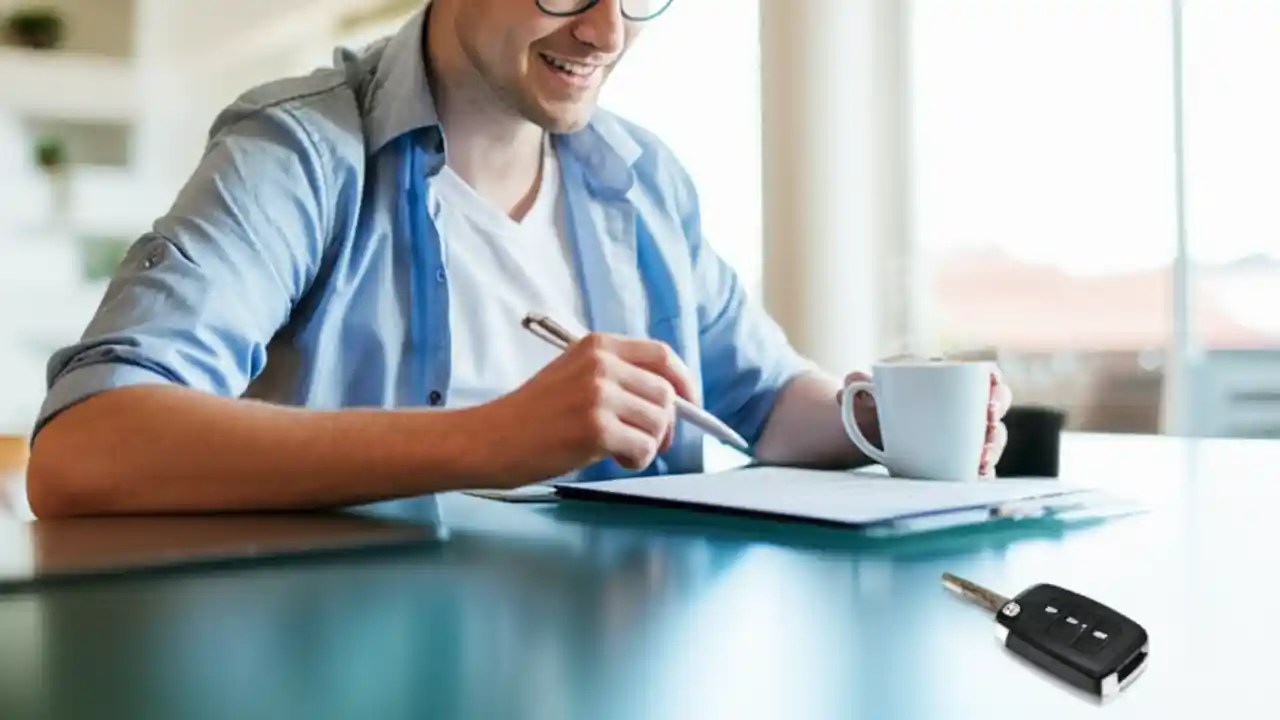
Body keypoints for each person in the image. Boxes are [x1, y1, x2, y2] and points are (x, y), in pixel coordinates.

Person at [26, 0, 1012, 518]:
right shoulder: (297, 156)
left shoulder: (640, 179)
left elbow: (760, 403)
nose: (605, 30)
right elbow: (84, 451)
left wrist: (870, 416)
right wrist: (493, 438)